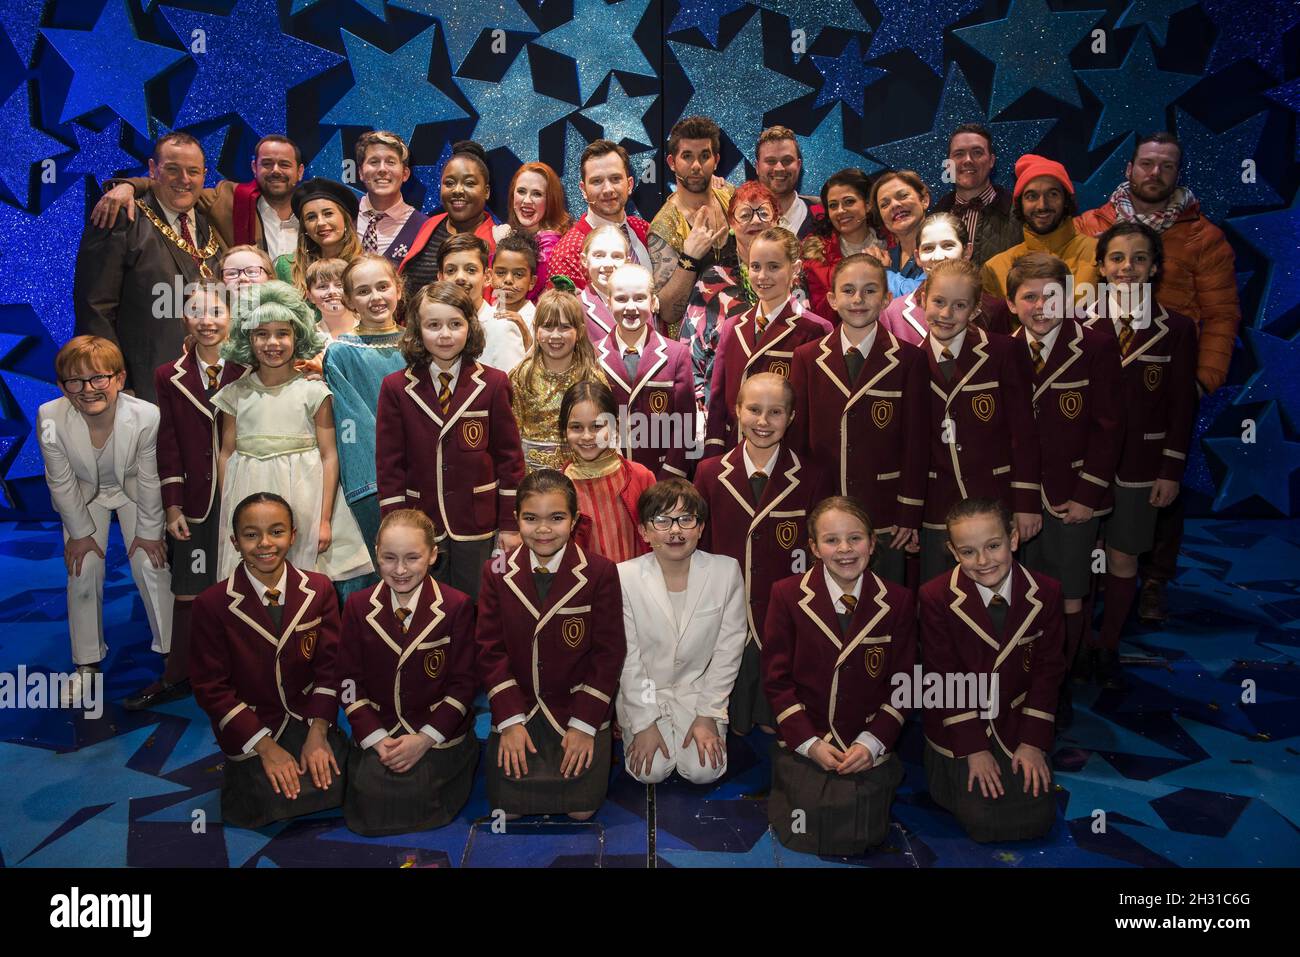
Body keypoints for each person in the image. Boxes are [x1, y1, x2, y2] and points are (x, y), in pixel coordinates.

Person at [1075, 131, 1242, 624]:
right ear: (1129, 169)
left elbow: (1222, 313)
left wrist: (1201, 379)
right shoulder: (1092, 225)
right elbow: (1076, 298)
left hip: (1168, 368)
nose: (1155, 173)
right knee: (1101, 486)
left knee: (1159, 494)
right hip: (1107, 362)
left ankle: (1153, 582)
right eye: (1146, 164)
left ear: (1177, 174)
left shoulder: (1203, 237)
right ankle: (1099, 583)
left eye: (1166, 166)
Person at [1007, 251, 1123, 725]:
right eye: (1028, 297)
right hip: (1016, 497)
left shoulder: (1094, 345)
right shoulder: (1000, 348)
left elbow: (1110, 428)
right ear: (1012, 304)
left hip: (1071, 495)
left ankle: (1060, 683)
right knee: (1018, 593)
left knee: (1069, 594)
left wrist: (1088, 494)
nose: (1040, 306)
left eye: (1049, 295)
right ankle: (1018, 679)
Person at [763, 496, 915, 855]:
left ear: (872, 542)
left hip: (864, 739)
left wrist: (873, 741)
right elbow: (776, 681)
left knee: (860, 831)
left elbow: (904, 684)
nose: (845, 550)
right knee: (802, 826)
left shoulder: (898, 600)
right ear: (814, 547)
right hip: (810, 737)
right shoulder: (786, 595)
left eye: (855, 538)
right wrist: (809, 743)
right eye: (831, 540)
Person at [1080, 222, 1196, 688]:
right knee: (1083, 560)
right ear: (1102, 267)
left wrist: (1170, 468)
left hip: (1139, 469)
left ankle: (1107, 645)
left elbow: (1182, 407)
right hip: (1085, 467)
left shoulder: (1177, 329)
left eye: (1140, 258)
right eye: (1117, 258)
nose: (1128, 267)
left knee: (1123, 559)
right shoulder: (1078, 322)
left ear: (1155, 269)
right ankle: (1077, 645)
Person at [190, 492, 350, 829]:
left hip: (307, 719)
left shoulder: (319, 589)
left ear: (293, 536)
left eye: (277, 532)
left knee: (346, 783)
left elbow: (331, 668)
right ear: (235, 541)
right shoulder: (212, 603)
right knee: (269, 801)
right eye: (251, 535)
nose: (265, 543)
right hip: (254, 724)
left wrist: (318, 733)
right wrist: (264, 747)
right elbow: (210, 688)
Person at [476, 469, 627, 819]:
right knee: (508, 810)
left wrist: (585, 725)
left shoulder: (600, 571)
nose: (543, 529)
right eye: (531, 518)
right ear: (516, 519)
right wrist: (510, 721)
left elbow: (609, 654)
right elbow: (489, 649)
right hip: (520, 708)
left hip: (574, 712)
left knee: (580, 812)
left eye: (556, 518)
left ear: (574, 520)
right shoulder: (495, 572)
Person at [920, 497, 1064, 844]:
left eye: (994, 546)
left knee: (1037, 818)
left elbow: (1049, 671)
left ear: (1013, 539)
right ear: (953, 552)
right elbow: (942, 678)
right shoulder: (935, 597)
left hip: (1018, 723)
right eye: (968, 552)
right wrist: (974, 749)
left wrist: (1032, 743)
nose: (983, 561)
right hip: (963, 724)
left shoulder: (1047, 592)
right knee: (984, 824)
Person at [39, 336, 172, 708]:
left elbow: (148, 477)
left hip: (132, 489)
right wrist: (80, 535)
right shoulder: (49, 417)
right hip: (82, 495)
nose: (87, 390)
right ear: (61, 386)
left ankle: (171, 658)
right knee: (83, 571)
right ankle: (86, 665)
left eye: (99, 378)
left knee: (152, 565)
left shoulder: (146, 414)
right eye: (75, 382)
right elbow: (60, 480)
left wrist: (148, 533)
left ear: (119, 378)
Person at [694, 373, 829, 736]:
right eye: (754, 410)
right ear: (737, 411)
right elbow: (699, 548)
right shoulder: (709, 473)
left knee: (777, 718)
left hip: (783, 611)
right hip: (727, 608)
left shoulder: (812, 475)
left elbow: (818, 551)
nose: (763, 422)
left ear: (792, 417)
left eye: (776, 412)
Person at [213, 281, 373, 584]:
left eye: (282, 333)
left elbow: (329, 456)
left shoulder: (314, 392)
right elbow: (226, 454)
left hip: (305, 498)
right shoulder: (235, 394)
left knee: (304, 582)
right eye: (262, 334)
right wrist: (230, 513)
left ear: (296, 336)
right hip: (248, 491)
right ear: (248, 339)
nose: (272, 343)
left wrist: (324, 519)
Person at [375, 281, 525, 599]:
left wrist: (510, 525)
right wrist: (394, 525)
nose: (445, 334)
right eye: (433, 325)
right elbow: (389, 465)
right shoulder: (396, 388)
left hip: (479, 523)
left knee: (480, 604)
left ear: (470, 328)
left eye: (455, 324)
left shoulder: (494, 384)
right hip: (420, 522)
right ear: (417, 330)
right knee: (431, 605)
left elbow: (509, 460)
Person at [339, 508, 479, 835]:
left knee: (420, 793)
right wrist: (376, 739)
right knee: (371, 803)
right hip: (382, 732)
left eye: (412, 558)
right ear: (376, 554)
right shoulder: (358, 606)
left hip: (435, 734)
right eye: (389, 558)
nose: (400, 570)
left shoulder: (456, 605)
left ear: (432, 555)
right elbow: (348, 683)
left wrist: (424, 739)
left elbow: (464, 684)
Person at [790, 254, 928, 585]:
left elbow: (917, 442)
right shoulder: (807, 358)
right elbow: (797, 440)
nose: (858, 300)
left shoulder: (909, 359)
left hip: (885, 511)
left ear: (886, 298)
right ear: (833, 298)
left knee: (885, 599)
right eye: (848, 290)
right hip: (826, 506)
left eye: (869, 291)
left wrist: (909, 511)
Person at [144, 284, 247, 711]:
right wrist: (173, 505)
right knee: (189, 589)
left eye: (216, 310)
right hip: (196, 499)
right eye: (195, 311)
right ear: (183, 318)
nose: (206, 320)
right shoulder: (169, 375)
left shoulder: (250, 366)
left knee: (240, 586)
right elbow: (167, 443)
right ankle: (180, 672)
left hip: (243, 490)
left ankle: (242, 673)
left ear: (232, 315)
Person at [73, 132, 224, 402]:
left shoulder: (209, 222)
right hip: (143, 387)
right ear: (153, 169)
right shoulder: (120, 216)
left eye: (193, 171)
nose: (184, 180)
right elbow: (95, 306)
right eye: (172, 169)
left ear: (204, 174)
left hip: (208, 386)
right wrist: (114, 380)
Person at [917, 258, 1040, 583]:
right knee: (938, 594)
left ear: (974, 311)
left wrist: (1026, 502)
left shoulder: (1003, 352)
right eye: (939, 302)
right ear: (923, 300)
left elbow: (1023, 433)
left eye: (959, 306)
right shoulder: (909, 360)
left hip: (992, 495)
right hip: (935, 504)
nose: (945, 314)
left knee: (997, 590)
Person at [617, 478, 746, 785]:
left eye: (686, 519)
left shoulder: (726, 572)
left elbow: (729, 650)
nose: (675, 531)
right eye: (662, 521)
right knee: (650, 772)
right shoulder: (623, 576)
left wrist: (707, 714)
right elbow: (628, 658)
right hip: (647, 690)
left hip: (697, 690)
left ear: (700, 528)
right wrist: (644, 723)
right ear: (644, 532)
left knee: (704, 772)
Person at [322, 254, 408, 595]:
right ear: (349, 300)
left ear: (398, 290)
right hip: (375, 479)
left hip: (422, 475)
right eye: (363, 291)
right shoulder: (341, 353)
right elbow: (351, 424)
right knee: (385, 567)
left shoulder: (418, 342)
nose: (375, 297)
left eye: (383, 287)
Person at [704, 226, 832, 453]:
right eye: (755, 267)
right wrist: (714, 451)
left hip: (788, 456)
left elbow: (817, 407)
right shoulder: (733, 326)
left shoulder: (814, 329)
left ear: (795, 269)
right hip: (735, 453)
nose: (762, 276)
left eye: (774, 267)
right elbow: (718, 400)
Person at [91, 133, 303, 258]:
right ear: (254, 167)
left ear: (300, 172)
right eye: (267, 163)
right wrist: (129, 186)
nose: (275, 170)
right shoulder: (228, 198)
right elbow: (175, 188)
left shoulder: (314, 212)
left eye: (284, 164)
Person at [676, 181, 780, 408]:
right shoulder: (713, 280)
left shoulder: (794, 278)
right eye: (745, 214)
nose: (755, 220)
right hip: (724, 406)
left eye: (763, 213)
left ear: (776, 221)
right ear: (732, 223)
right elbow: (690, 353)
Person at [592, 263, 696, 478]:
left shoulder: (676, 354)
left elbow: (685, 425)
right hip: (609, 475)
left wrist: (670, 476)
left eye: (639, 298)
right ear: (608, 303)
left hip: (660, 475)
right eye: (621, 299)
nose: (631, 307)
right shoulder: (592, 355)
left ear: (654, 301)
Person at [648, 116, 734, 336]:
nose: (696, 166)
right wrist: (690, 258)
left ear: (716, 160)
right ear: (671, 162)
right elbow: (667, 312)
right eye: (687, 156)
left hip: (740, 334)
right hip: (696, 351)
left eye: (704, 156)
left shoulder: (733, 199)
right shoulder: (664, 226)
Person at [510, 289, 608, 472]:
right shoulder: (522, 376)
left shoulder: (592, 378)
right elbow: (511, 437)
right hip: (533, 480)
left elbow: (607, 432)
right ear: (536, 330)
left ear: (579, 332)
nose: (555, 335)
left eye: (564, 327)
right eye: (547, 327)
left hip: (584, 475)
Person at [982, 154, 1099, 307]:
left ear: (1066, 200)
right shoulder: (995, 269)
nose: (1042, 205)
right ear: (1020, 204)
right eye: (1032, 196)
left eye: (1052, 194)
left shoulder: (1099, 256)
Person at [560, 379, 656, 564]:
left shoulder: (640, 477)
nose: (587, 436)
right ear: (564, 430)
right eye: (576, 427)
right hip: (585, 590)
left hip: (638, 587)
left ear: (615, 426)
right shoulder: (558, 488)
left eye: (597, 426)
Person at [880, 213, 1009, 345]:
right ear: (918, 257)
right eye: (928, 248)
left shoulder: (995, 309)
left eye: (948, 246)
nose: (938, 257)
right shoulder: (893, 314)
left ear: (967, 251)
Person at [399, 140, 497, 300]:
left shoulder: (496, 244)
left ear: (486, 191)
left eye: (469, 183)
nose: (458, 190)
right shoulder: (430, 224)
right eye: (449, 183)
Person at [546, 139, 651, 287]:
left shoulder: (644, 229)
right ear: (583, 190)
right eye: (597, 181)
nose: (608, 189)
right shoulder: (568, 253)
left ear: (630, 185)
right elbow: (565, 310)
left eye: (615, 179)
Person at [436, 233, 531, 373]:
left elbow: (512, 388)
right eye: (451, 270)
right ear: (440, 278)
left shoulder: (501, 327)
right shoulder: (433, 328)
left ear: (487, 277)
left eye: (471, 270)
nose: (460, 277)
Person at [801, 168, 890, 318]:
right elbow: (820, 317)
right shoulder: (816, 255)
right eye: (833, 205)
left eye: (849, 202)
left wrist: (887, 274)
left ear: (867, 204)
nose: (841, 211)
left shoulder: (894, 242)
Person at [932, 123, 1021, 266]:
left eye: (977, 152)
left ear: (991, 161)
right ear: (948, 165)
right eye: (959, 154)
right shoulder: (934, 217)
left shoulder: (1019, 214)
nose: (967, 160)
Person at [493, 161, 574, 300]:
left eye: (537, 194)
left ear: (550, 200)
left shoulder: (550, 244)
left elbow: (519, 295)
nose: (527, 200)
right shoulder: (513, 232)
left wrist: (502, 247)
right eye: (521, 191)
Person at [354, 130, 430, 265]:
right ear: (360, 172)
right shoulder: (344, 217)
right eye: (374, 162)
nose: (382, 169)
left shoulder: (424, 227)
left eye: (390, 162)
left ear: (405, 174)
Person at [276, 177, 362, 293]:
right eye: (311, 217)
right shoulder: (287, 267)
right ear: (304, 227)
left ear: (345, 219)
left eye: (328, 214)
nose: (320, 223)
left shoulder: (366, 265)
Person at [754, 125, 824, 238]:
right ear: (757, 167)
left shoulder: (821, 217)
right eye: (771, 161)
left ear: (799, 165)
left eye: (787, 160)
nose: (779, 168)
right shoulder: (742, 219)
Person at [486, 229, 540, 369]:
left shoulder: (540, 321)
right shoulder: (484, 316)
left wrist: (525, 334)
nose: (508, 280)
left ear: (532, 282)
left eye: (518, 274)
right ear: (490, 276)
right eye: (501, 273)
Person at [872, 169, 931, 297]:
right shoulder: (887, 257)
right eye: (884, 204)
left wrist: (884, 273)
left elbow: (924, 297)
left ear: (924, 200)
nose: (894, 205)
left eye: (903, 196)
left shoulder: (945, 248)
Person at [578, 224, 631, 342]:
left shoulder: (642, 303)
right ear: (584, 260)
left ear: (627, 262)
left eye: (616, 256)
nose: (608, 264)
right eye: (599, 256)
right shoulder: (576, 306)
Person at [305, 258, 358, 340]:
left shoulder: (373, 328)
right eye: (322, 286)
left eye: (339, 285)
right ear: (310, 296)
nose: (332, 291)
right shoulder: (308, 340)